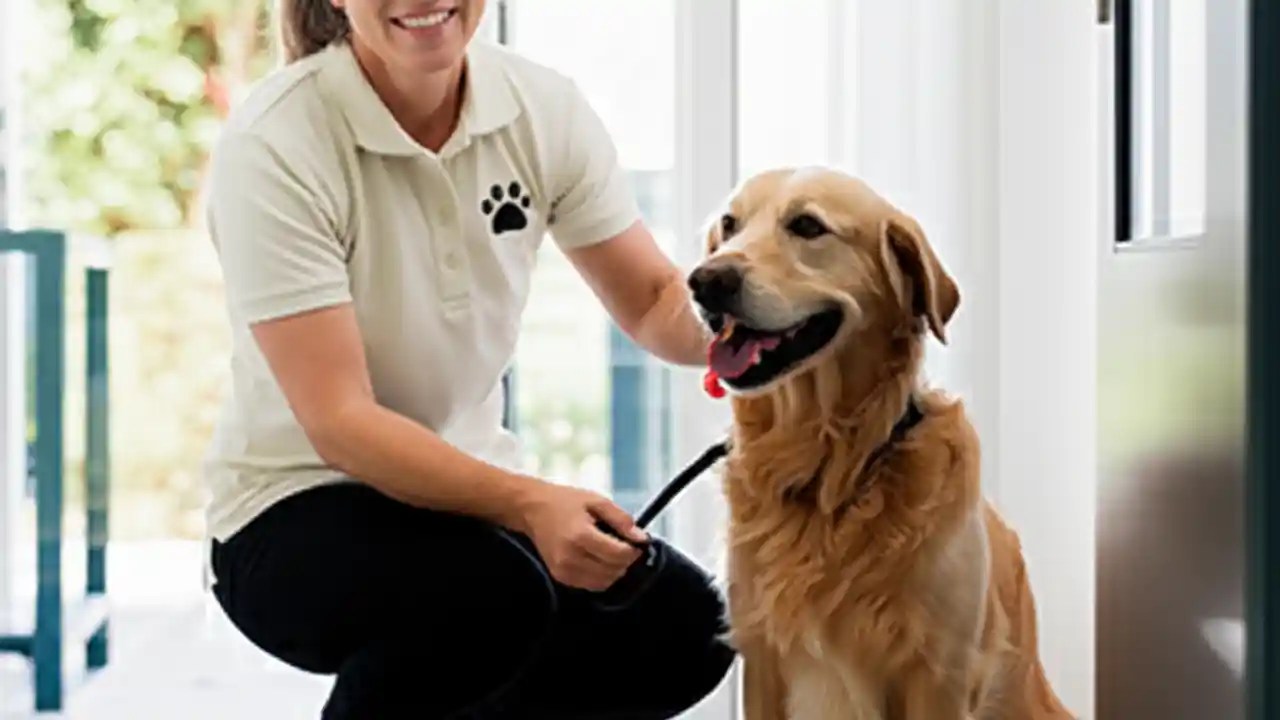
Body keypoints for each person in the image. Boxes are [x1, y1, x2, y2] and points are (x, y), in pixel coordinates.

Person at [201, 0, 735, 718]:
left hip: (463, 505)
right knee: (487, 600)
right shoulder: (277, 141)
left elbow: (651, 302)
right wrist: (529, 502)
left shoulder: (540, 108)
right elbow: (341, 421)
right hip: (290, 510)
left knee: (684, 626)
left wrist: (769, 321)